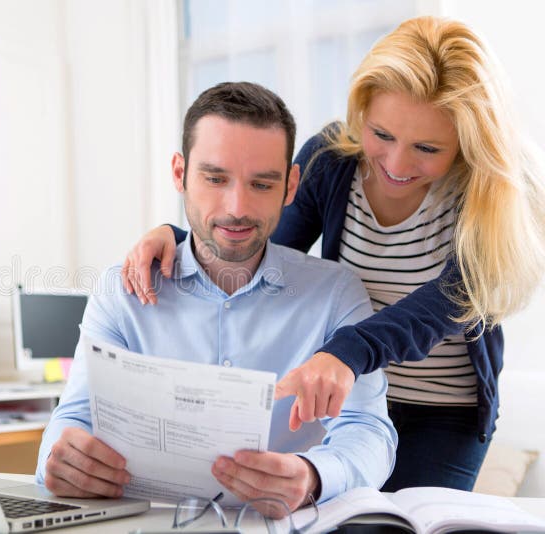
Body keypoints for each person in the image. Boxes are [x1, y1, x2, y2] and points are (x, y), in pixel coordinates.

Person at [121, 16, 545, 492]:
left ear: (467, 142)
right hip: (348, 405)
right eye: (382, 135)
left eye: (426, 148)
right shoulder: (330, 161)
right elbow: (265, 247)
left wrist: (346, 352)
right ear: (362, 110)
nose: (397, 164)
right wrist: (181, 239)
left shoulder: (489, 193)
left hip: (442, 416)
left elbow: (443, 306)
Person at [35, 82, 397, 516]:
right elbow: (72, 420)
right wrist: (61, 460)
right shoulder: (123, 291)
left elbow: (370, 430)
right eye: (214, 178)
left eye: (262, 184)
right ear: (179, 174)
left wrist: (313, 477)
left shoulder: (336, 294)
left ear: (290, 186)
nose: (237, 208)